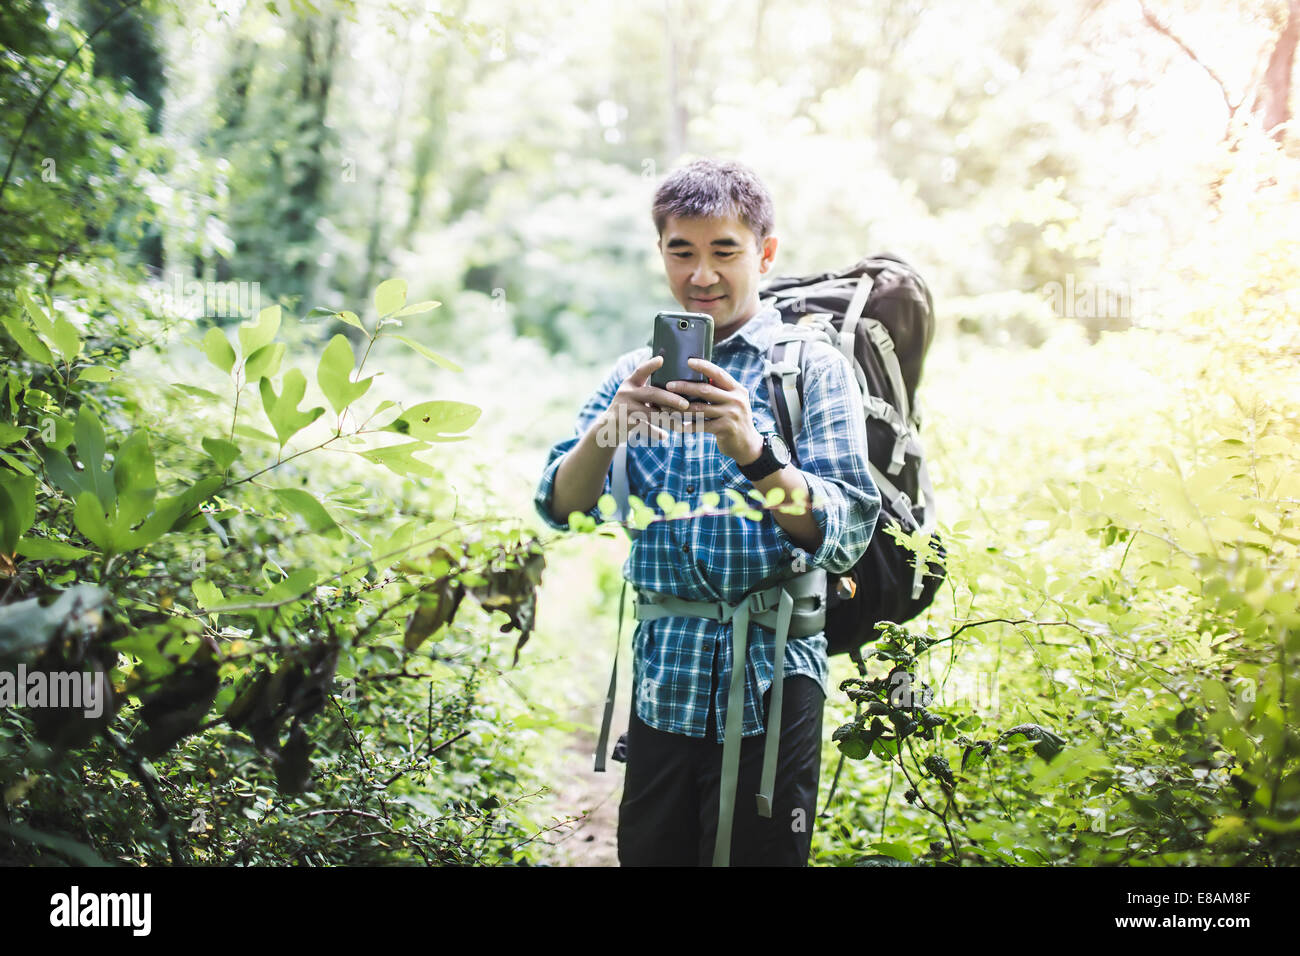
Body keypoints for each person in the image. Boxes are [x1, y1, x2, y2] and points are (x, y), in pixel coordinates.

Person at [533, 158, 880, 866]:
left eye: (725, 250)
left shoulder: (809, 369)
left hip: (775, 671)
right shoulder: (631, 376)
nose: (702, 275)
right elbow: (559, 506)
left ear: (766, 252)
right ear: (660, 252)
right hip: (665, 675)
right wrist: (608, 433)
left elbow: (839, 533)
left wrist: (752, 449)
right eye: (681, 251)